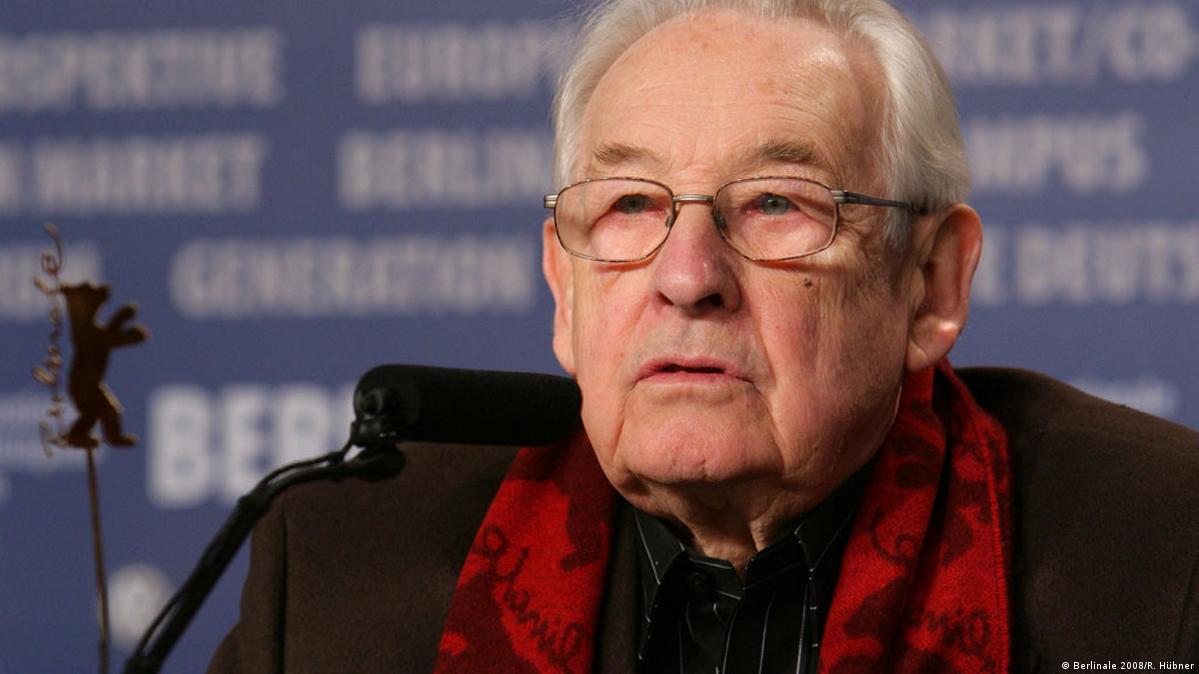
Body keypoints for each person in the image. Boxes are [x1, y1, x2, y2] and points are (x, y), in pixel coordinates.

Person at [209, 0, 1199, 672]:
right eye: (630, 204)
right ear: (563, 286)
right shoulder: (343, 566)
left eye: (774, 202)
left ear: (929, 283)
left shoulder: (1161, 555)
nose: (686, 277)